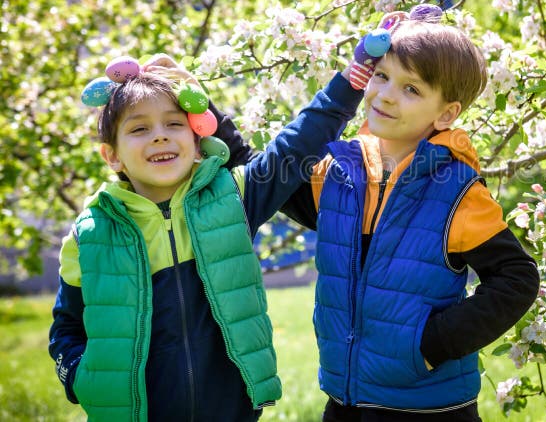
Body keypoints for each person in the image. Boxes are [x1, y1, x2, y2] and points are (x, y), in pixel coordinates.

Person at [48, 53, 363, 421]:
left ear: (198, 141)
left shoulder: (232, 198)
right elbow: (66, 327)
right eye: (139, 129)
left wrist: (352, 80)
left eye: (173, 124)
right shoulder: (91, 235)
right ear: (112, 155)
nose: (160, 135)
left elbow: (296, 144)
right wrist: (78, 377)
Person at [277, 7, 541, 421]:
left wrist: (429, 345)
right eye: (382, 76)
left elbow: (517, 279)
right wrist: (210, 124)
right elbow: (268, 185)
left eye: (411, 89)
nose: (384, 95)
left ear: (446, 113)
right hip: (344, 401)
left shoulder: (456, 190)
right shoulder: (342, 170)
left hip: (427, 408)